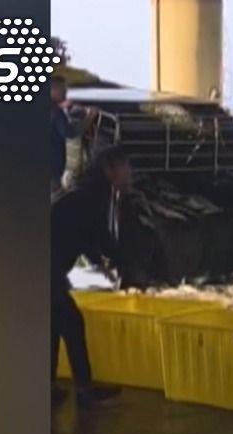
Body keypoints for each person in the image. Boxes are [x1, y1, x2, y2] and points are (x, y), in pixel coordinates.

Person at [51, 146, 129, 408]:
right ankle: (84, 390)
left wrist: (102, 263)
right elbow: (97, 235)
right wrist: (116, 260)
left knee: (53, 325)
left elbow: (84, 236)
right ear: (109, 168)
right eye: (124, 167)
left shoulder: (87, 194)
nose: (128, 173)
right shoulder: (93, 196)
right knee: (71, 322)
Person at [50, 75, 98, 199]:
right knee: (57, 197)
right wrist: (89, 117)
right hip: (53, 166)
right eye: (63, 90)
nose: (66, 94)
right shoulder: (55, 111)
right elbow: (70, 132)